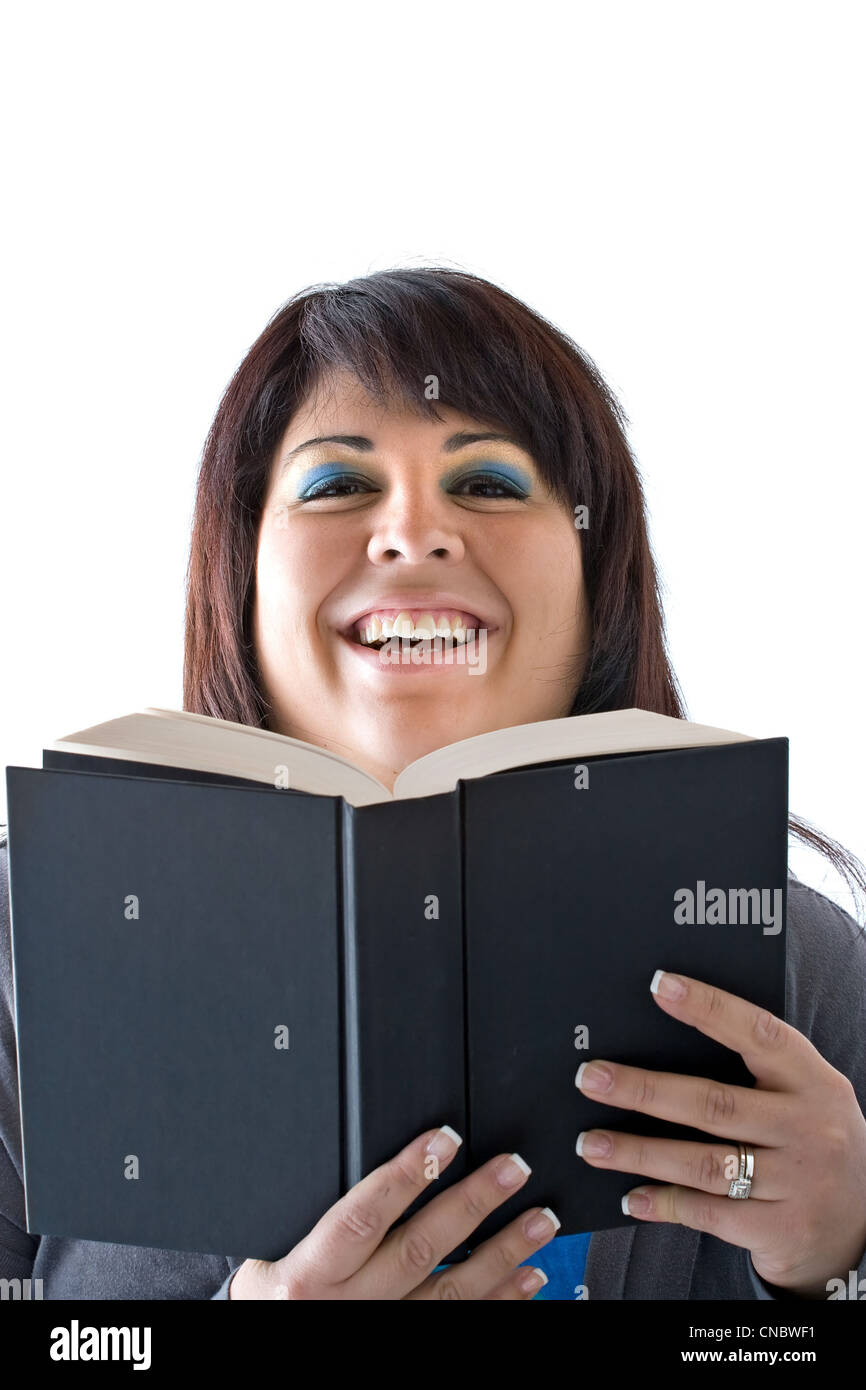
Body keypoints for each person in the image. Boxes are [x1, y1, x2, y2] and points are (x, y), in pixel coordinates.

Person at [2, 268, 865, 1300]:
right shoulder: (26, 947)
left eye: (489, 483)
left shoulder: (792, 965)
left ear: (599, 581)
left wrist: (835, 1259)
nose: (412, 534)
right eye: (336, 485)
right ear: (240, 574)